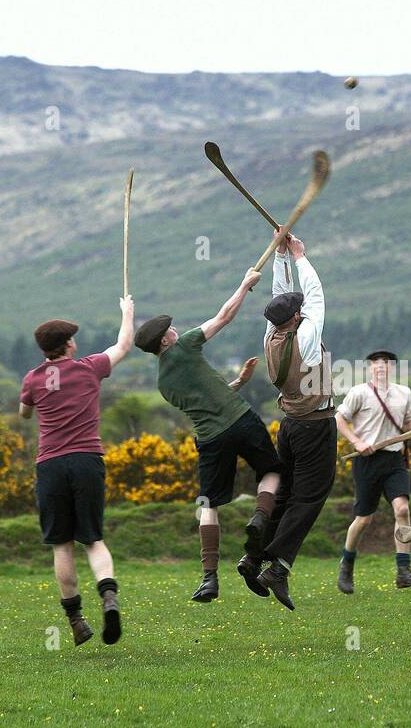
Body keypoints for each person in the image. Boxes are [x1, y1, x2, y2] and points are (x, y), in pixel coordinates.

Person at [134, 266, 283, 602]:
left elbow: (204, 400)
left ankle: (209, 579)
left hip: (211, 439)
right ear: (166, 339)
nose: (175, 328)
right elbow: (224, 315)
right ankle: (260, 518)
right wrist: (246, 284)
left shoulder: (163, 384)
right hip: (241, 420)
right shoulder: (186, 345)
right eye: (170, 328)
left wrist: (238, 383)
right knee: (272, 471)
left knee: (209, 505)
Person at [18, 295, 135, 646]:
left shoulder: (33, 379)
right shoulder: (89, 368)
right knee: (93, 539)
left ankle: (76, 620)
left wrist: (36, 404)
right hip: (87, 459)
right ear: (69, 344)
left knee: (61, 545)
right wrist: (127, 313)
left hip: (51, 464)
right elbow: (124, 344)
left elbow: (23, 414)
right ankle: (109, 596)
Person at [237, 231, 335, 611]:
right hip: (315, 424)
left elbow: (282, 299)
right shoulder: (306, 335)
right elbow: (317, 297)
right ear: (297, 317)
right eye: (299, 310)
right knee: (310, 496)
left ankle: (253, 556)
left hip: (290, 426)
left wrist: (280, 258)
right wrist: (300, 256)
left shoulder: (272, 335)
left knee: (285, 492)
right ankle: (278, 566)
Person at [334, 349, 411, 593]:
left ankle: (403, 571)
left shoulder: (403, 393)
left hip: (395, 460)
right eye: (376, 363)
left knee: (402, 508)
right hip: (366, 461)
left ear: (392, 367)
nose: (380, 366)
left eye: (385, 363)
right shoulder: (359, 392)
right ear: (369, 368)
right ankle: (346, 565)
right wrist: (356, 442)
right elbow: (339, 419)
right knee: (364, 519)